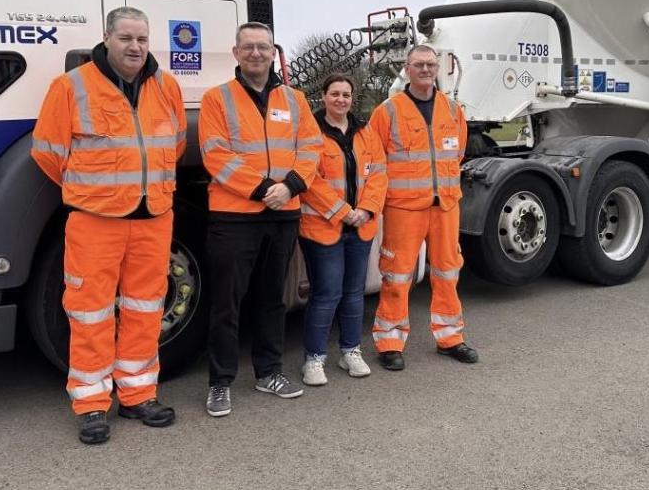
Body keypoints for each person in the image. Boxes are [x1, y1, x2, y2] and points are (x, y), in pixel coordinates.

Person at [31, 6, 185, 445]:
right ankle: (92, 404)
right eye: (126, 39)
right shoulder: (71, 87)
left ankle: (138, 395)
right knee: (90, 312)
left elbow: (175, 144)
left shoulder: (166, 86)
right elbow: (48, 152)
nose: (135, 47)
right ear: (107, 38)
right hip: (96, 220)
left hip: (154, 217)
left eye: (142, 38)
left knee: (145, 309)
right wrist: (94, 190)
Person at [198, 22, 324, 416]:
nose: (256, 53)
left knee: (272, 298)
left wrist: (289, 187)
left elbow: (311, 145)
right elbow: (214, 153)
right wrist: (262, 188)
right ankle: (220, 382)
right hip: (234, 215)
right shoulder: (216, 99)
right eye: (248, 47)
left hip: (283, 213)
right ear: (235, 53)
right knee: (226, 302)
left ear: (274, 53)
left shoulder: (295, 99)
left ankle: (269, 371)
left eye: (264, 47)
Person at [369, 44, 479, 371]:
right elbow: (375, 160)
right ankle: (389, 341)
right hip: (404, 207)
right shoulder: (387, 111)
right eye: (419, 65)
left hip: (445, 205)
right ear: (407, 67)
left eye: (431, 65)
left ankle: (450, 338)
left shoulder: (452, 109)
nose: (426, 70)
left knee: (447, 271)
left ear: (437, 68)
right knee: (397, 275)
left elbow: (457, 152)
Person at [297, 74, 387, 386]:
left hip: (360, 227)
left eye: (346, 94)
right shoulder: (311, 133)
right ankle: (314, 358)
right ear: (323, 97)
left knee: (353, 293)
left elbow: (378, 171)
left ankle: (350, 350)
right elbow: (308, 179)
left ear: (352, 98)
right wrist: (343, 212)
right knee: (326, 294)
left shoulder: (366, 131)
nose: (341, 100)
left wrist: (366, 209)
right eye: (334, 94)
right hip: (323, 228)